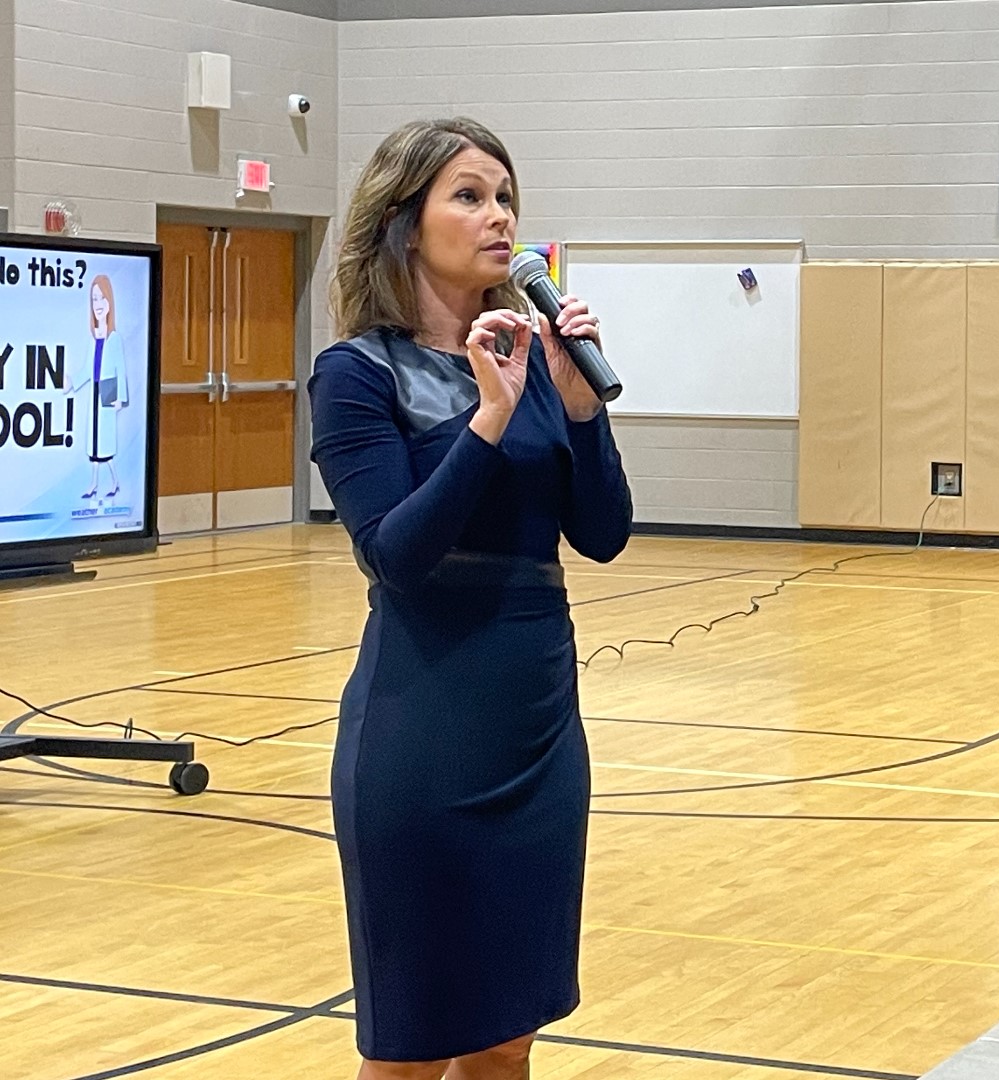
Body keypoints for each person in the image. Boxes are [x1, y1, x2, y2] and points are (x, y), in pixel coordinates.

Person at [310, 117, 632, 1080]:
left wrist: (576, 405)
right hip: (423, 726)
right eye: (469, 194)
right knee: (415, 1042)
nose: (499, 217)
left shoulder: (533, 359)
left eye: (505, 196)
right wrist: (488, 415)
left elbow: (603, 535)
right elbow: (397, 556)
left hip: (535, 723)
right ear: (405, 223)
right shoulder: (355, 374)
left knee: (506, 1033)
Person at [69, 274, 126, 500]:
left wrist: (120, 397)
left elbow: (120, 369)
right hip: (94, 390)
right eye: (94, 299)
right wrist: (71, 382)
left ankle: (114, 481)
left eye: (102, 298)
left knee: (105, 445)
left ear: (110, 302)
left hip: (108, 390)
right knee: (94, 443)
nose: (98, 304)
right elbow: (86, 369)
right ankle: (93, 484)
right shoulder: (93, 338)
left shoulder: (114, 338)